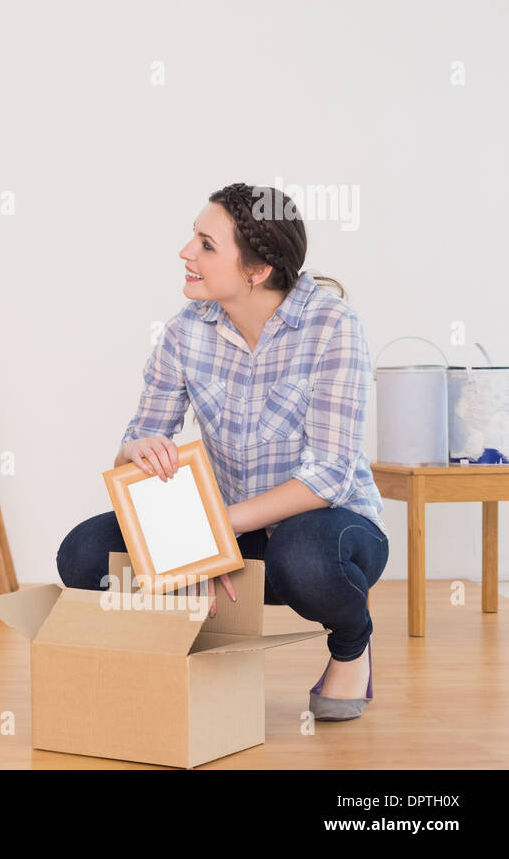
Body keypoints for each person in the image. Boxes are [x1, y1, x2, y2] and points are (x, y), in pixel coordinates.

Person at [56, 183, 388, 721]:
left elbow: (328, 476)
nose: (186, 251)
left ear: (256, 272)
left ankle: (352, 643)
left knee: (303, 557)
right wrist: (137, 450)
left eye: (206, 244)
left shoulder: (332, 327)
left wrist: (209, 532)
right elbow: (137, 444)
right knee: (86, 553)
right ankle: (178, 653)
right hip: (233, 528)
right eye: (193, 237)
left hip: (329, 528)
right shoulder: (184, 333)